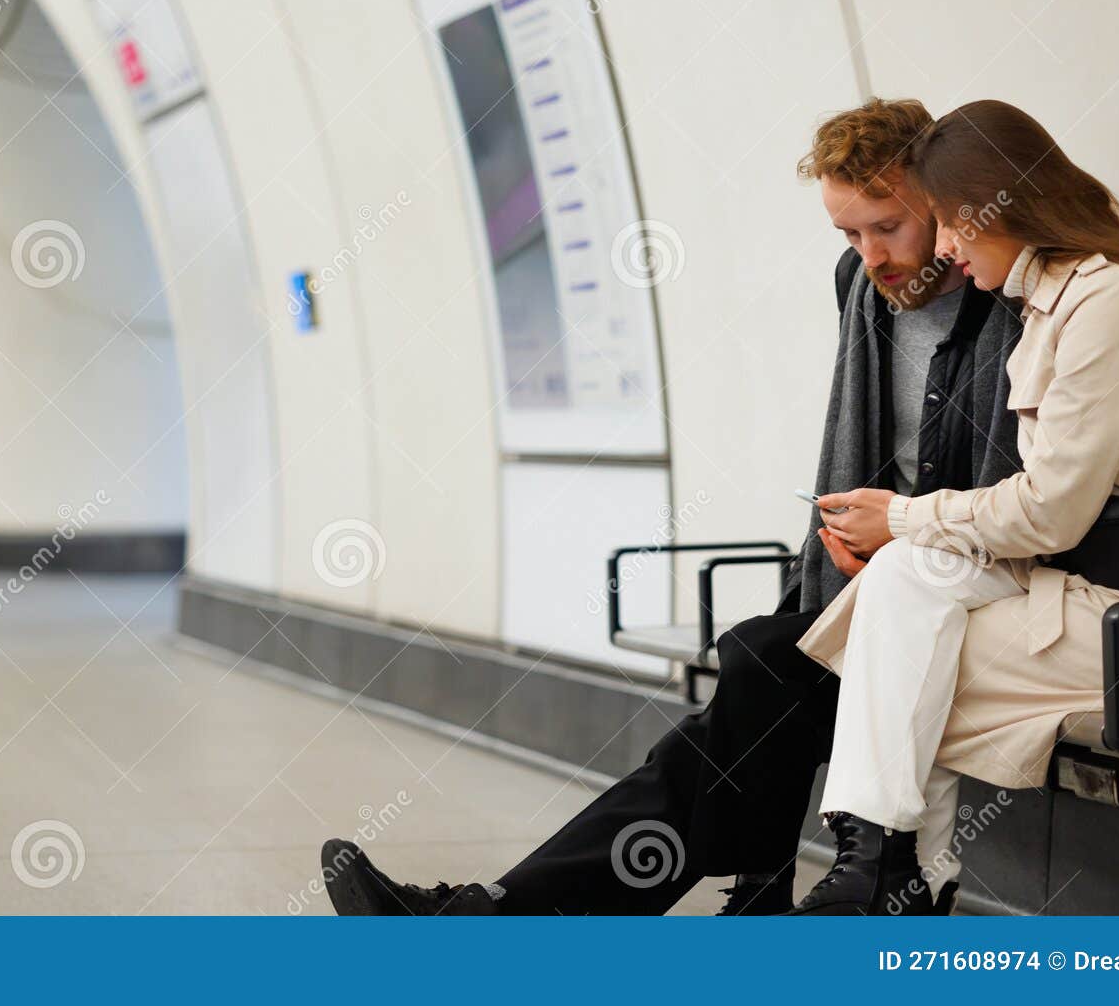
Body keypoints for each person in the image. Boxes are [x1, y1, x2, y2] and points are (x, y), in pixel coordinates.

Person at [319, 97, 1024, 916]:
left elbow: (1023, 492)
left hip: (961, 591)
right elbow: (863, 446)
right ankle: (501, 917)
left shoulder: (1005, 291)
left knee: (753, 683)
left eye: (886, 228)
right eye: (848, 235)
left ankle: (500, 917)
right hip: (878, 581)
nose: (871, 256)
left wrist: (900, 535)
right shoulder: (861, 291)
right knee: (746, 696)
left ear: (939, 203)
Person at [790, 99, 1119, 915]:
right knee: (906, 595)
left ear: (1004, 206)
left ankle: (893, 878)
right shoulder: (1050, 302)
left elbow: (1053, 513)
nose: (945, 248)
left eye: (950, 224)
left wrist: (906, 516)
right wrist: (911, 536)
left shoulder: (1109, 301)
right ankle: (883, 873)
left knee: (907, 652)